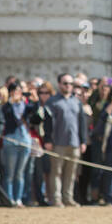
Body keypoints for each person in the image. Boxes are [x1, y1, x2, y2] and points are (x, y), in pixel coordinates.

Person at [45, 73, 87, 207]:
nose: (68, 86)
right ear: (59, 84)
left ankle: (68, 198)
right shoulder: (52, 101)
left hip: (74, 142)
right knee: (56, 172)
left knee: (71, 173)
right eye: (65, 83)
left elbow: (82, 123)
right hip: (58, 142)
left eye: (70, 84)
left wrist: (83, 141)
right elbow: (47, 122)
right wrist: (48, 140)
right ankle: (56, 199)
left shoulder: (76, 101)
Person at [0, 83, 33, 207]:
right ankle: (9, 198)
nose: (17, 93)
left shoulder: (26, 106)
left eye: (19, 91)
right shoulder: (6, 106)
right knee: (10, 173)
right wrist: (11, 102)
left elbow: (35, 114)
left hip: (25, 140)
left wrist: (35, 99)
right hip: (11, 140)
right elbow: (6, 115)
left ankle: (18, 199)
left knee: (20, 172)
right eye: (15, 91)